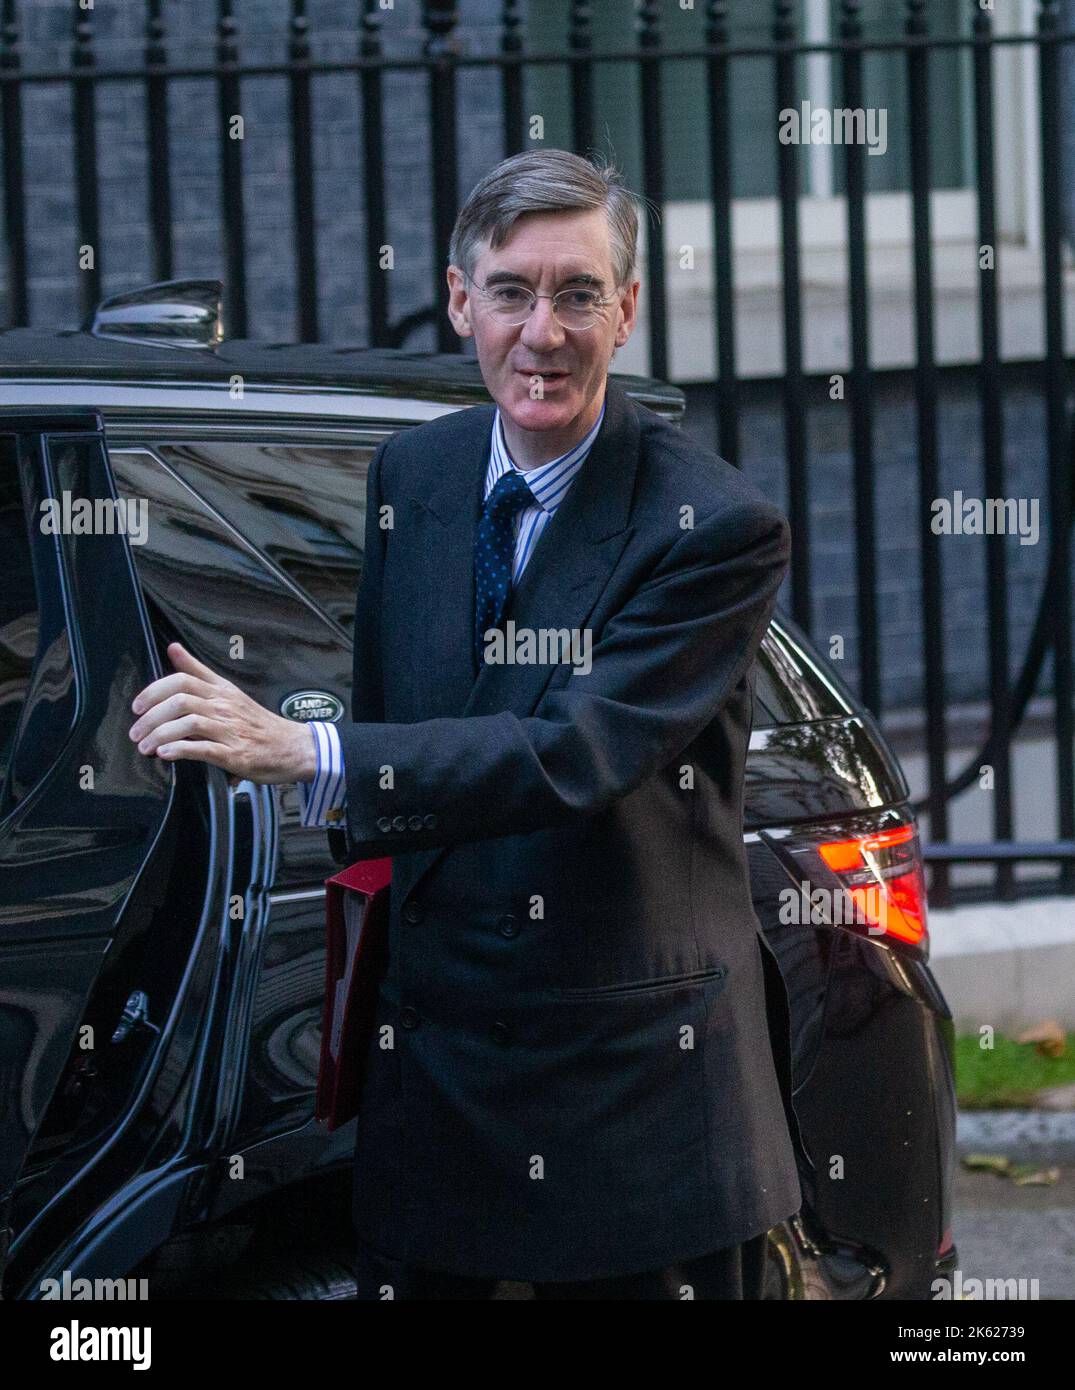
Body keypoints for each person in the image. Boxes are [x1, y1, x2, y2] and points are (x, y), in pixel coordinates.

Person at [127, 148, 809, 1300]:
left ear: (627, 311)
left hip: (631, 1116)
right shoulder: (416, 472)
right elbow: (409, 735)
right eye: (511, 291)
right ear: (459, 300)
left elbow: (575, 752)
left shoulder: (713, 524)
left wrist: (309, 748)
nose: (542, 332)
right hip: (434, 1106)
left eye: (578, 293)